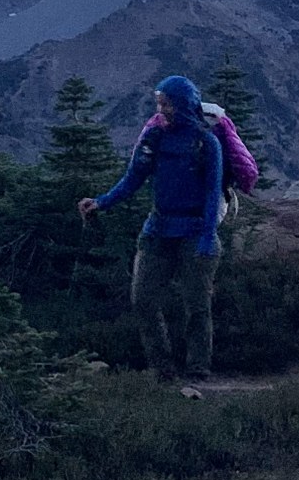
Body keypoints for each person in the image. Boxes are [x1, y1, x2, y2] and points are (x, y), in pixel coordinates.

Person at [78, 75, 224, 384]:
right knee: (143, 299)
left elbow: (213, 192)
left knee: (197, 305)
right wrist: (101, 202)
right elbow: (133, 179)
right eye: (159, 103)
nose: (161, 110)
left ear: (183, 104)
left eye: (166, 104)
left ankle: (198, 369)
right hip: (158, 228)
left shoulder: (206, 143)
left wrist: (208, 236)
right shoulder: (154, 138)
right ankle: (163, 369)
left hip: (194, 229)